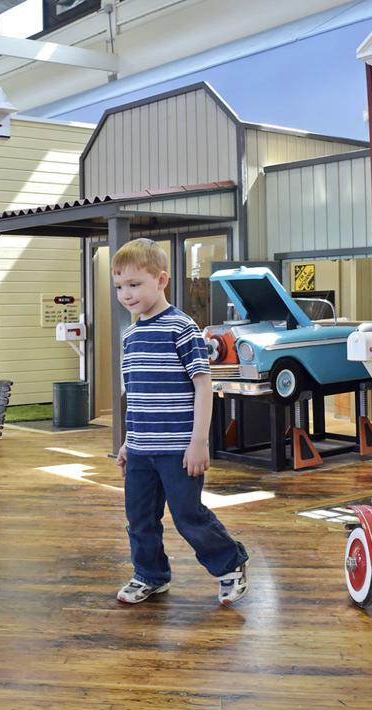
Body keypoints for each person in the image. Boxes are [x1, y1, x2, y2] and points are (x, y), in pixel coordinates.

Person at [112, 238, 250, 606]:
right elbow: (138, 396)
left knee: (188, 515)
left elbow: (203, 386)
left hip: (178, 449)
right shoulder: (129, 336)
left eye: (134, 284)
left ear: (161, 280)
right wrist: (127, 443)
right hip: (141, 450)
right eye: (120, 287)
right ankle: (150, 575)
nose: (126, 294)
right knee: (140, 519)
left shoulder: (182, 328)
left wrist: (199, 442)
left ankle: (230, 564)